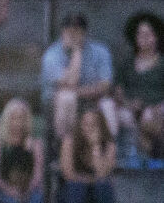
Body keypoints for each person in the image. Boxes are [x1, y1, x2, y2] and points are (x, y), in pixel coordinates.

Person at [40, 12, 118, 143]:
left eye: (77, 31)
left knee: (108, 104)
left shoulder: (100, 51)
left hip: (92, 100)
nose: (73, 35)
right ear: (63, 31)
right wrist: (77, 52)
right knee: (67, 98)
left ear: (85, 32)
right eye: (69, 31)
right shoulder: (52, 54)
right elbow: (70, 83)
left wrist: (77, 92)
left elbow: (105, 86)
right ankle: (63, 148)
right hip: (55, 104)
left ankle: (109, 152)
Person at [57, 105, 119, 203]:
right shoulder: (70, 141)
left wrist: (95, 147)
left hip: (98, 194)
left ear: (101, 126)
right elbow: (68, 174)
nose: (89, 128)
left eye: (93, 124)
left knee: (103, 184)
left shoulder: (109, 145)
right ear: (79, 124)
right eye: (85, 124)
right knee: (76, 185)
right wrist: (89, 180)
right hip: (70, 193)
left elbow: (103, 174)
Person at [116, 10, 164, 160]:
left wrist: (159, 107)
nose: (143, 38)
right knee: (123, 116)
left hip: (158, 109)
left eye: (148, 34)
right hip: (131, 108)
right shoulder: (127, 62)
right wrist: (128, 103)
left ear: (156, 37)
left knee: (149, 116)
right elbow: (118, 90)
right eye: (140, 34)